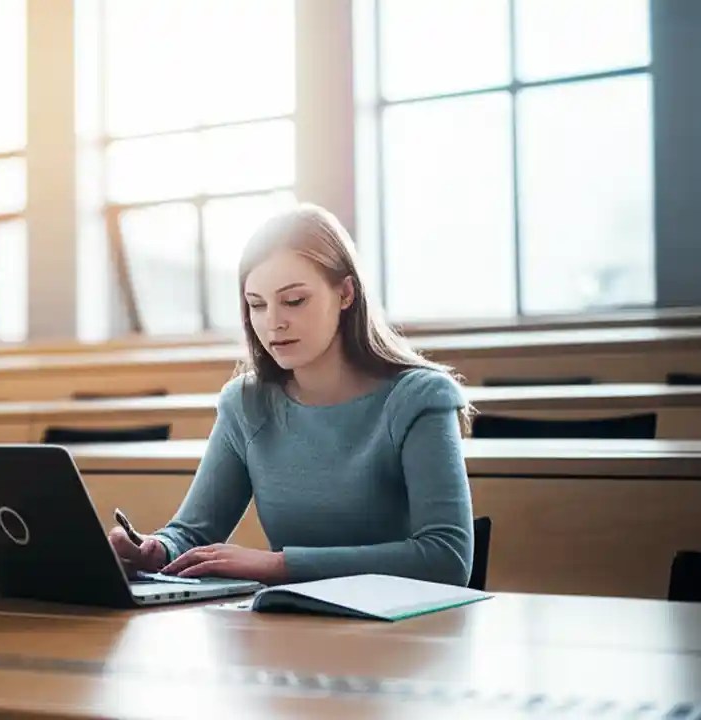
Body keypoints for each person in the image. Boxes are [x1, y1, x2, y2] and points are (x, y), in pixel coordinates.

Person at [108, 203, 474, 587]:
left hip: (405, 633)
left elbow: (446, 558)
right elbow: (192, 535)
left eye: (294, 301)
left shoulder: (418, 398)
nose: (274, 323)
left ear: (346, 293)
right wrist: (156, 549)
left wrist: (277, 565)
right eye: (256, 305)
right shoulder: (244, 404)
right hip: (290, 626)